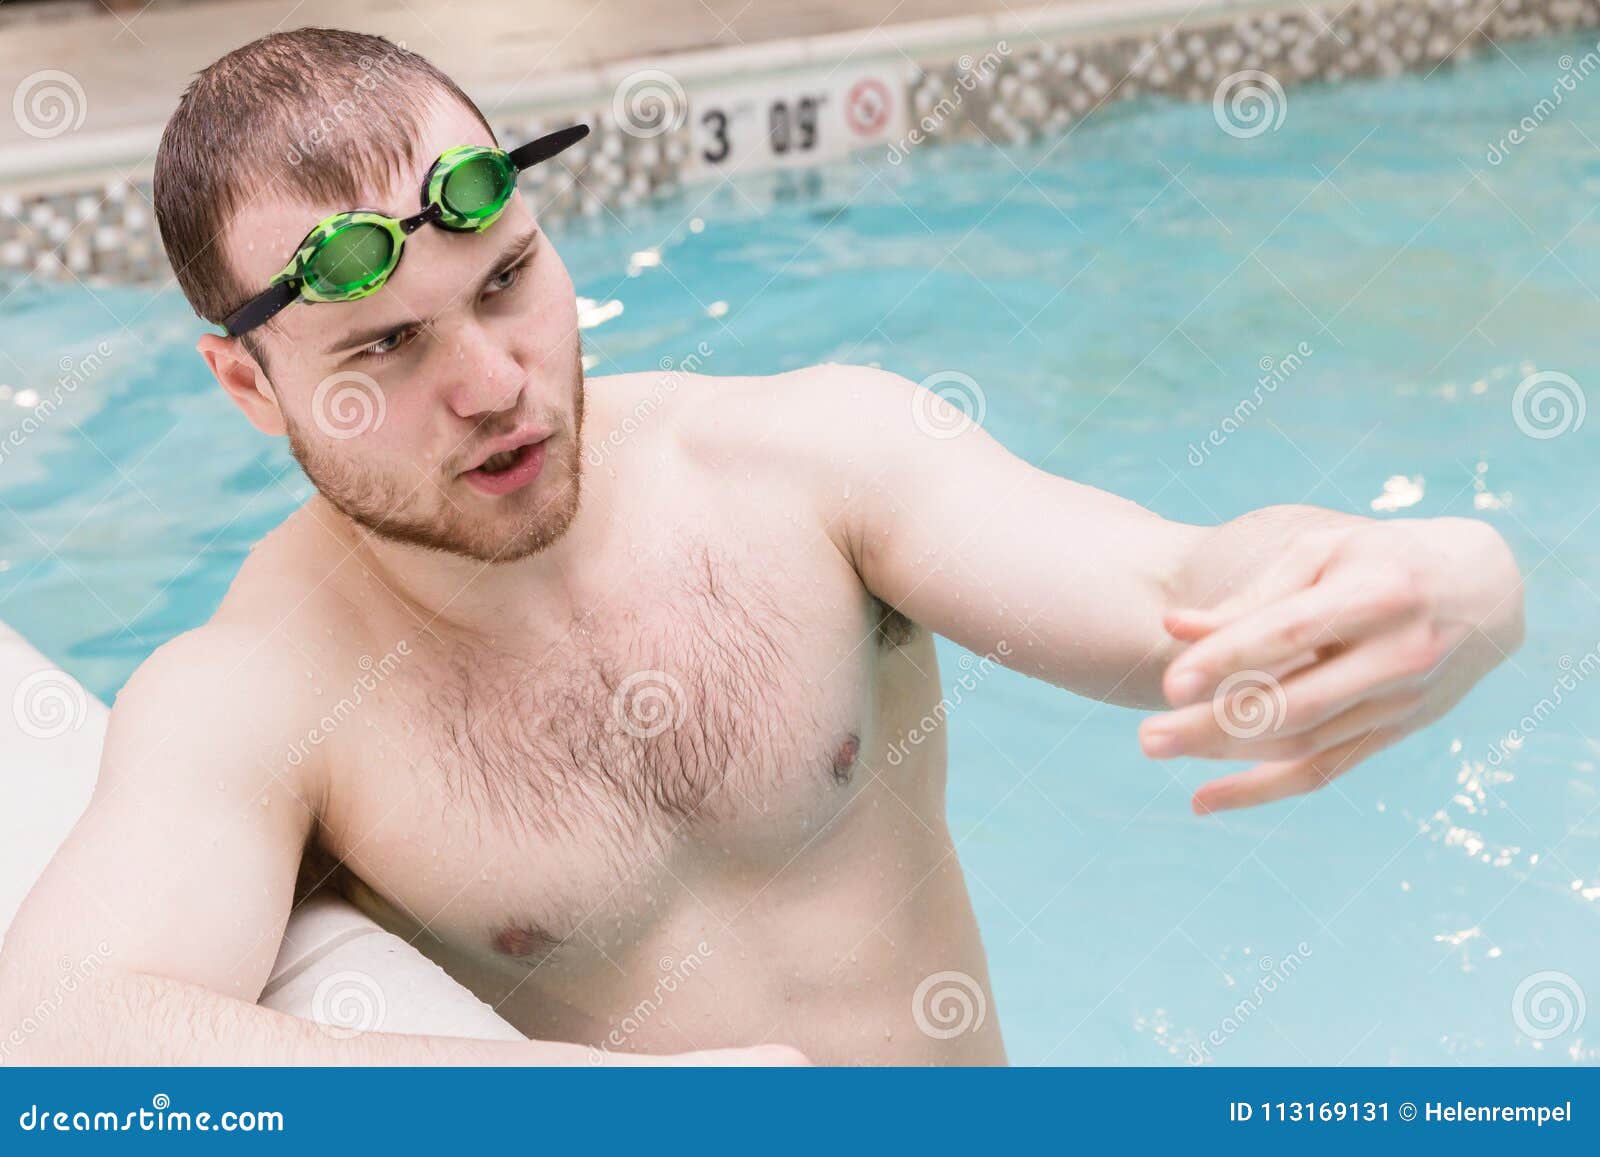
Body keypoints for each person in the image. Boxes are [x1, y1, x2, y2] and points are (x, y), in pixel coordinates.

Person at [0, 28, 1523, 1066]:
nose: (492, 381)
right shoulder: (261, 689)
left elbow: (1171, 585)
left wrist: (1440, 578)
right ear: (247, 385)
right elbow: (62, 1032)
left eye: (512, 278)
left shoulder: (807, 462)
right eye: (386, 348)